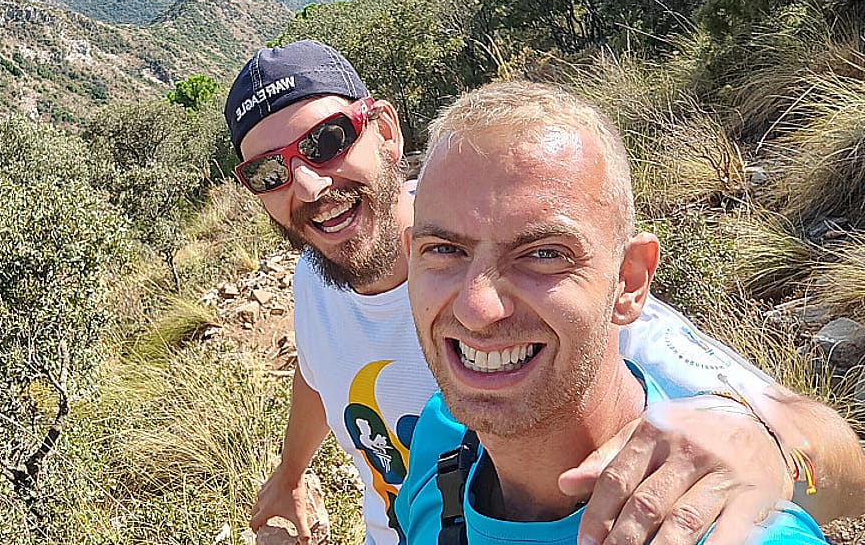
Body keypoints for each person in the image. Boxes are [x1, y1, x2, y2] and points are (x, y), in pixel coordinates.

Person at [223, 40, 865, 545]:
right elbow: (320, 372)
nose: (306, 187)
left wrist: (766, 447)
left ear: (386, 132)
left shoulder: (586, 309)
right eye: (267, 170)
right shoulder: (318, 275)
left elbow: (838, 458)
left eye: (327, 141)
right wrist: (290, 474)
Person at [396, 81, 828, 545]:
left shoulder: (734, 530)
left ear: (629, 281)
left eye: (543, 254)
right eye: (443, 249)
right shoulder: (443, 434)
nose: (477, 308)